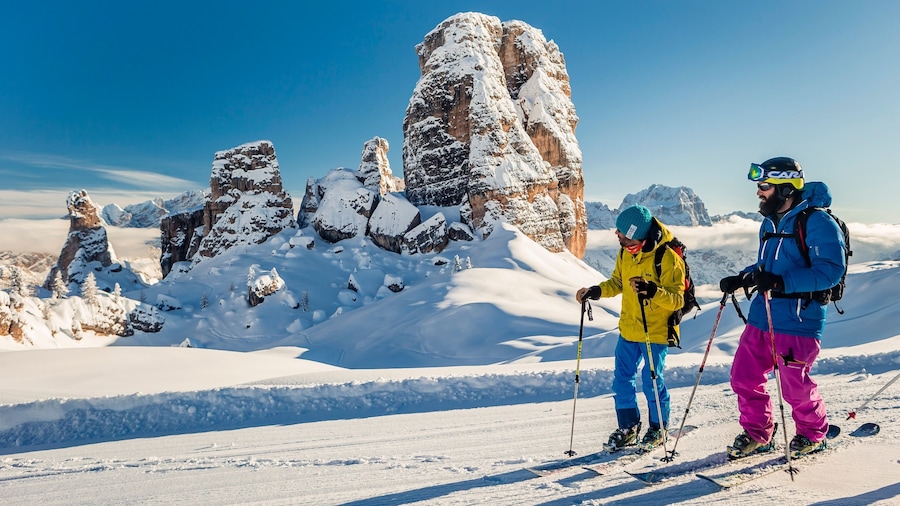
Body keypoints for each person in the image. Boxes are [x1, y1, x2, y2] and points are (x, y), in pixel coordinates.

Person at [719, 157, 846, 459]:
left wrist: (780, 282)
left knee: (794, 386)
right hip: (762, 317)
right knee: (743, 377)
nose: (759, 192)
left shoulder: (817, 222)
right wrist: (744, 277)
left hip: (798, 320)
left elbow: (830, 270)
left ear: (786, 188)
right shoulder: (769, 222)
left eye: (764, 186)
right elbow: (768, 266)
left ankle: (813, 434)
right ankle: (758, 434)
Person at [577, 205, 686, 451]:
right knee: (622, 380)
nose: (617, 235)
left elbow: (677, 300)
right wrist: (596, 291)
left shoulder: (667, 258)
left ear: (637, 234)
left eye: (623, 233)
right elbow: (618, 282)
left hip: (655, 332)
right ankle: (628, 427)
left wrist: (653, 290)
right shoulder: (626, 252)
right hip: (628, 329)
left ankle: (658, 428)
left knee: (651, 381)